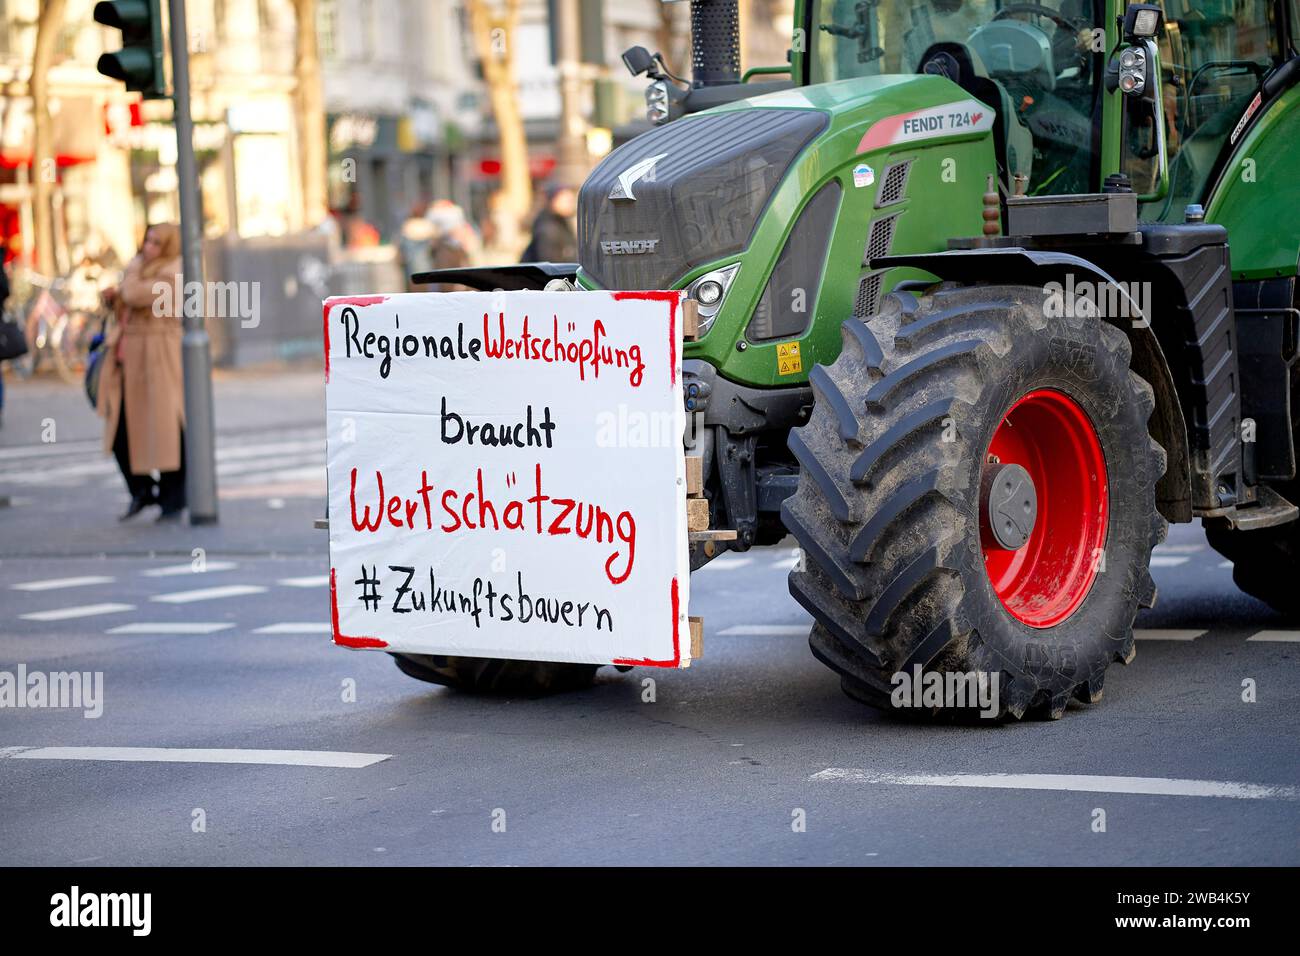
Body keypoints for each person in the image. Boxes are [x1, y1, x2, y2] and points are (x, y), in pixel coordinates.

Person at [97, 223, 187, 522]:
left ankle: (173, 498)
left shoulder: (175, 268)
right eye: (146, 241)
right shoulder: (144, 268)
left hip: (159, 355)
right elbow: (129, 298)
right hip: (130, 357)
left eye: (156, 242)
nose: (148, 247)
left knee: (166, 429)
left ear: (169, 245)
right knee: (120, 426)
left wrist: (129, 276)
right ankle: (144, 489)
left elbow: (136, 294)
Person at [522, 184, 578, 263]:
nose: (571, 204)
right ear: (553, 200)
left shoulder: (562, 222)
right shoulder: (547, 227)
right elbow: (548, 262)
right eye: (566, 200)